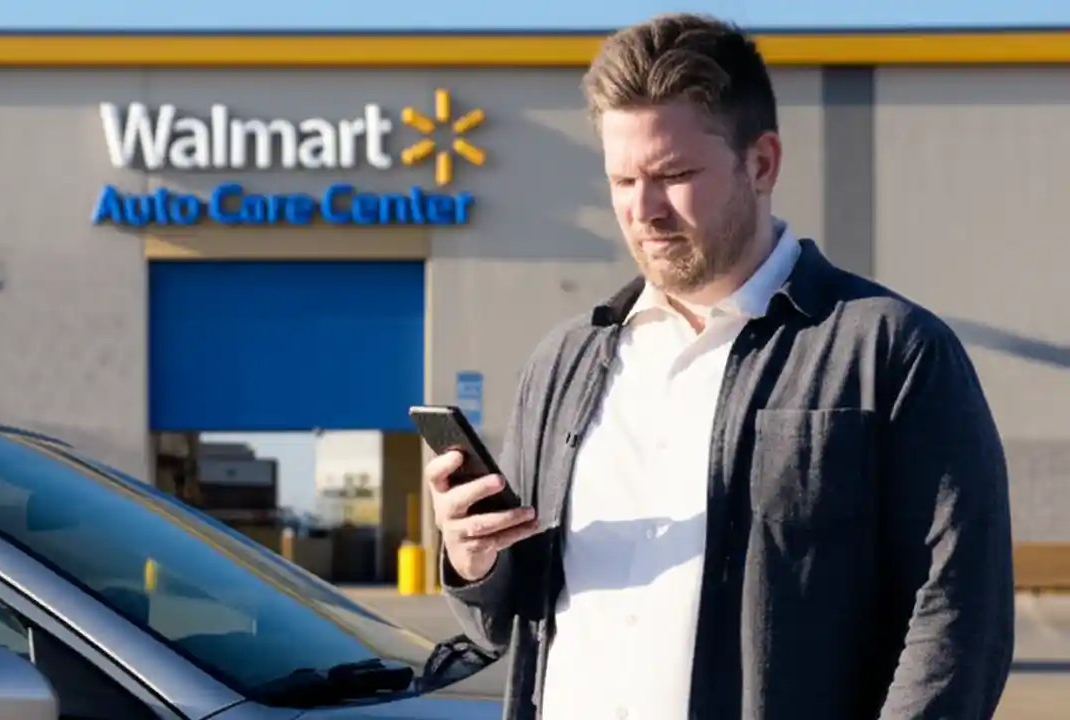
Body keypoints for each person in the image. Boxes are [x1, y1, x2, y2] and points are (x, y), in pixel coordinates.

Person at [424, 12, 1015, 720]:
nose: (644, 211)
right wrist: (473, 560)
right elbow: (500, 621)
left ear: (761, 163)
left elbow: (958, 618)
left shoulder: (888, 352)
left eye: (674, 176)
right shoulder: (563, 363)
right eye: (622, 181)